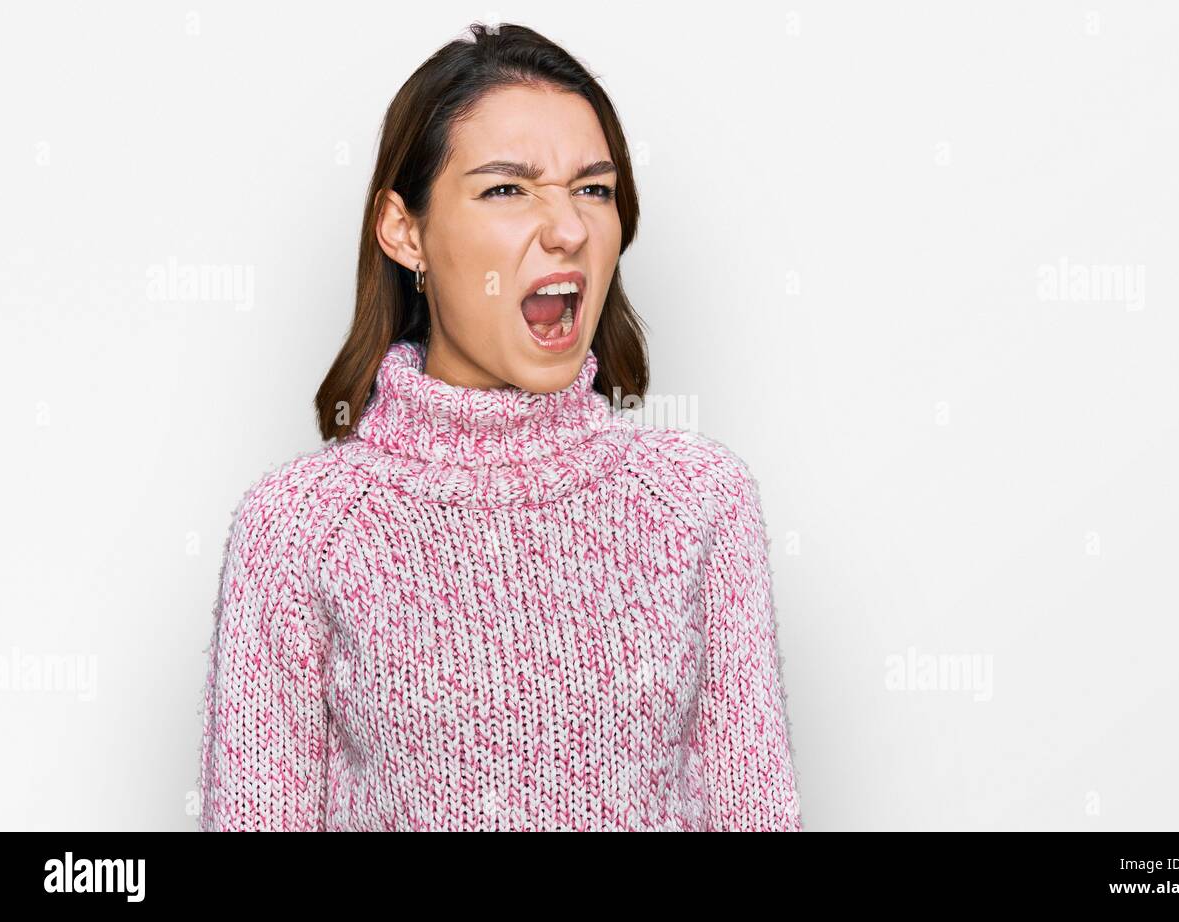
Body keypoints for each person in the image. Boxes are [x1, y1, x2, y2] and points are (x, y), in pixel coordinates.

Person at [197, 21, 801, 831]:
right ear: (404, 230)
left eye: (593, 188)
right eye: (508, 189)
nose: (569, 229)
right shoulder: (301, 529)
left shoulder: (698, 503)